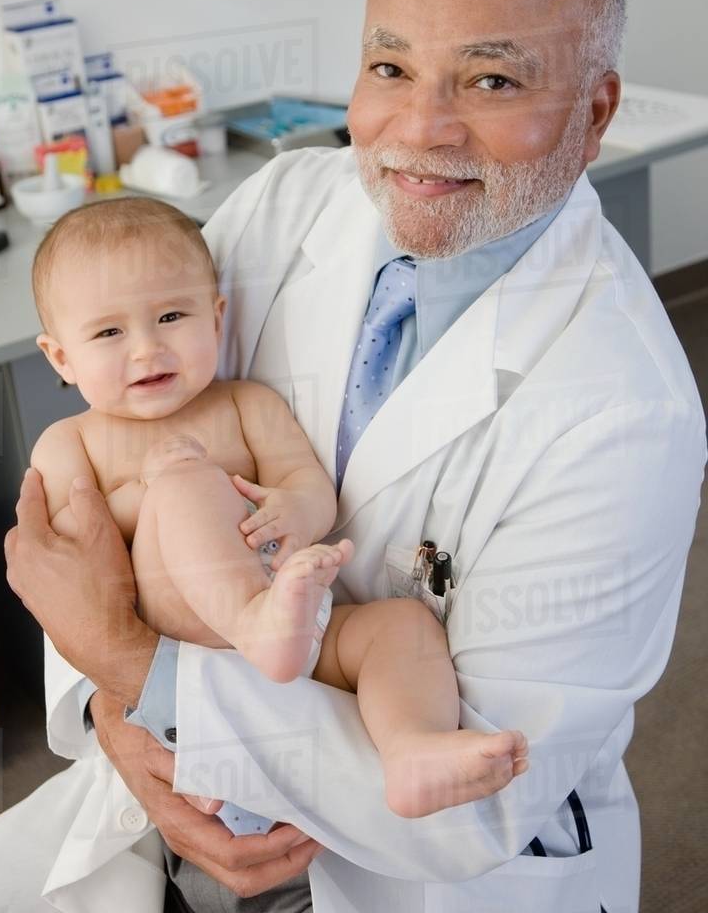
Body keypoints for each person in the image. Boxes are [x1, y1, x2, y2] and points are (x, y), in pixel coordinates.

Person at [0, 0, 704, 913]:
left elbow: (476, 808)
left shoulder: (624, 413)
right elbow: (96, 493)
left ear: (595, 109)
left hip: (420, 904)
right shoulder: (289, 205)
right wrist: (115, 716)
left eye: (491, 79)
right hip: (167, 802)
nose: (419, 128)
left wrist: (132, 664)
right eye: (389, 67)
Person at [30, 196, 528, 816]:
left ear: (216, 318)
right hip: (184, 648)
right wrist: (155, 486)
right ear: (60, 356)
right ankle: (250, 629)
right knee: (186, 480)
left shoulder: (246, 404)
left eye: (171, 316)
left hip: (300, 620)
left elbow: (308, 484)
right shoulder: (70, 443)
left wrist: (295, 509)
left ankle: (411, 749)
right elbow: (76, 560)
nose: (146, 349)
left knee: (403, 627)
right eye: (110, 332)